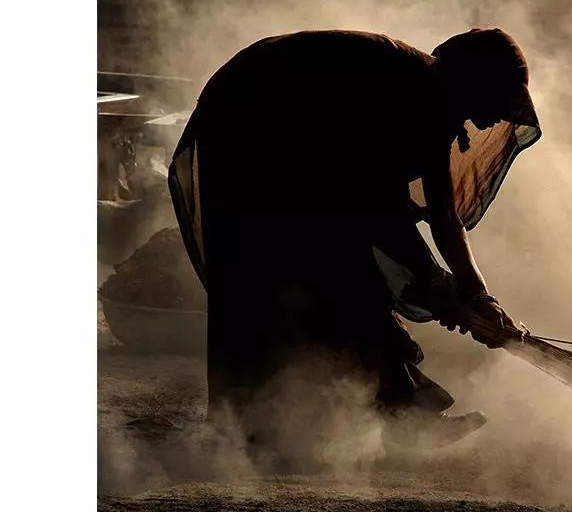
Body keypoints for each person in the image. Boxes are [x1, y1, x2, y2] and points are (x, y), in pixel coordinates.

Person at [166, 28, 541, 462]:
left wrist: (478, 295)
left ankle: (336, 416)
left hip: (291, 141)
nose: (498, 117)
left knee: (327, 267)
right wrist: (437, 285)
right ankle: (254, 427)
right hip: (250, 120)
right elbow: (372, 210)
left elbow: (444, 217)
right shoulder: (409, 95)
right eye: (496, 98)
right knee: (288, 267)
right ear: (474, 83)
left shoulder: (437, 101)